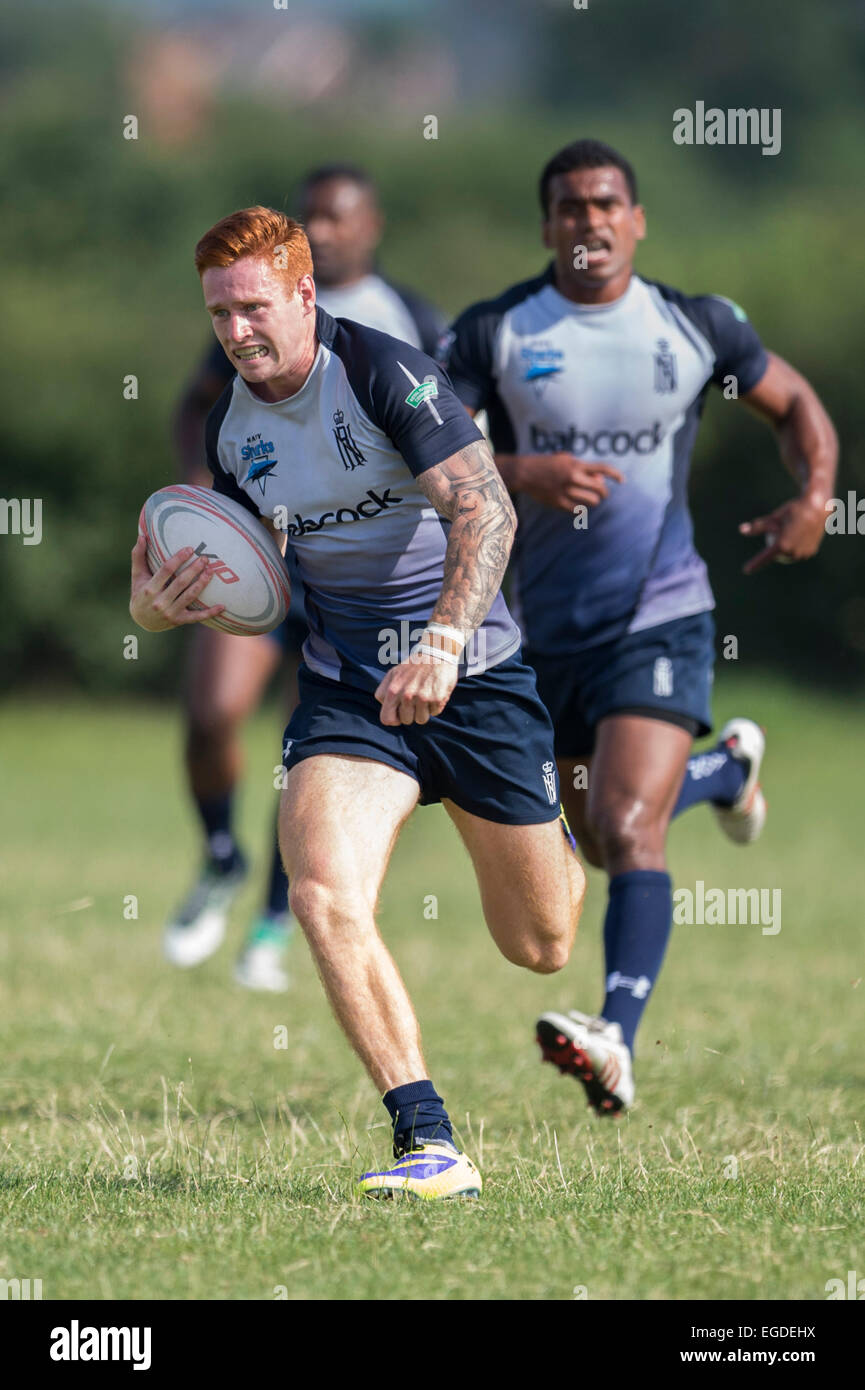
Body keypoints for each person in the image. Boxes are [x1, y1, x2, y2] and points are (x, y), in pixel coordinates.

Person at [130, 206, 586, 1197]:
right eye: (218, 315)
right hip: (348, 691)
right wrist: (163, 605)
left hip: (473, 674)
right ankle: (428, 1140)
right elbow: (252, 588)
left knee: (541, 944)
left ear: (302, 295)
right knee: (322, 893)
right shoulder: (231, 425)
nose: (236, 333)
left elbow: (484, 507)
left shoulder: (385, 373)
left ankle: (560, 829)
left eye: (252, 307)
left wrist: (444, 642)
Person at [441, 138, 838, 1115]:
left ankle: (616, 1034)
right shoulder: (495, 332)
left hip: (659, 615)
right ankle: (729, 769)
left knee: (626, 824)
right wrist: (522, 473)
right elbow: (431, 453)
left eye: (606, 202)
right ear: (547, 227)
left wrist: (816, 495)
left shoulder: (693, 327)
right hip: (541, 634)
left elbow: (793, 407)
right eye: (570, 207)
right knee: (603, 842)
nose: (590, 221)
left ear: (637, 218)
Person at [166, 165, 445, 992]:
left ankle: (271, 921)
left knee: (306, 755)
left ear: (372, 226)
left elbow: (458, 446)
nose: (322, 227)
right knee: (212, 712)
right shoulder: (250, 311)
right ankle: (219, 853)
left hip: (355, 587)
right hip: (261, 558)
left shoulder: (408, 325)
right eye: (310, 215)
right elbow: (197, 405)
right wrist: (200, 503)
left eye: (338, 216)